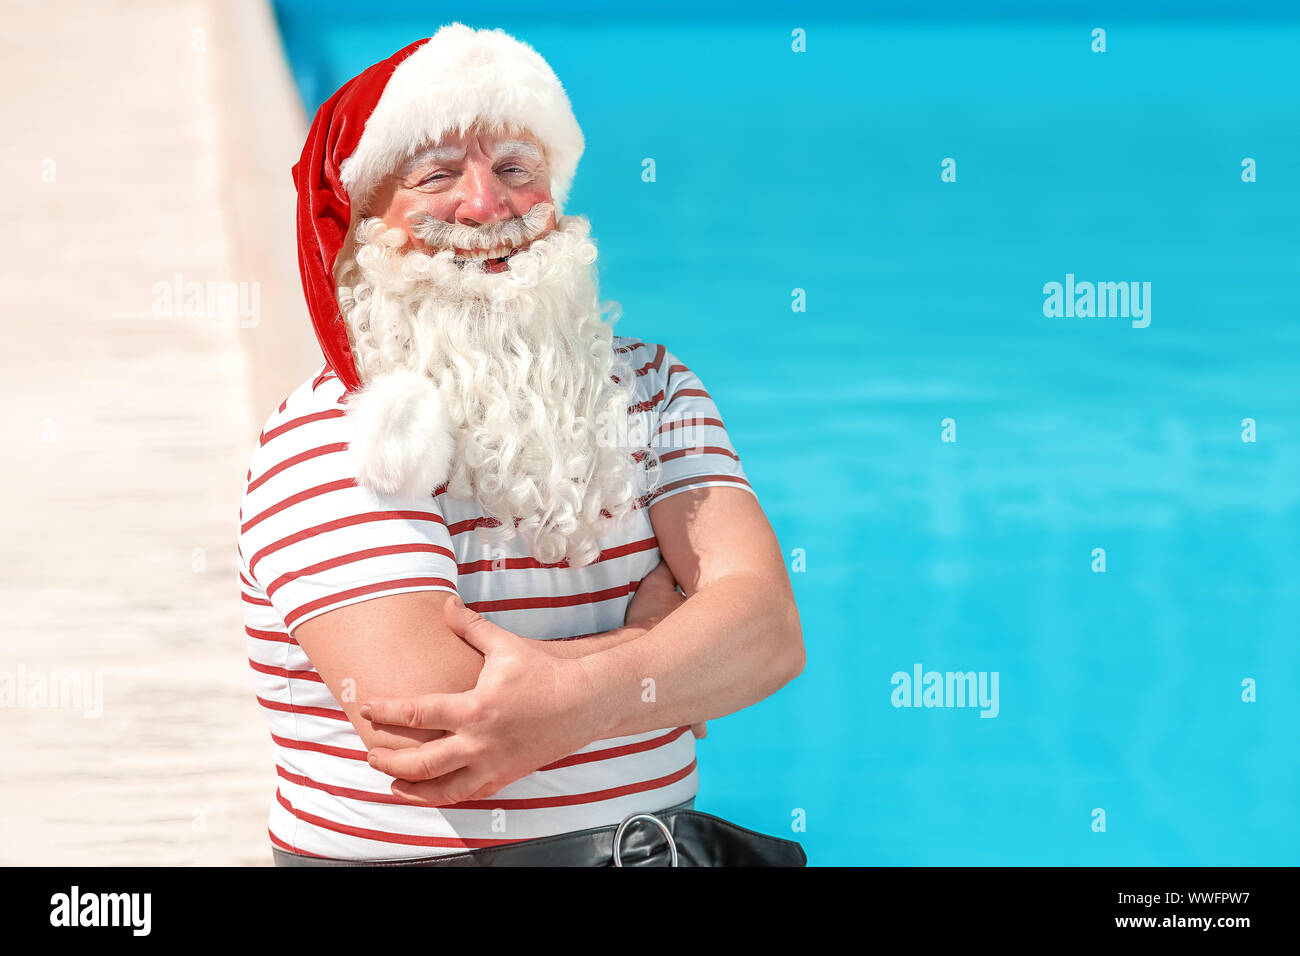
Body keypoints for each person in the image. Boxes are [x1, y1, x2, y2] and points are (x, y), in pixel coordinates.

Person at [238, 22, 805, 865]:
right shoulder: (332, 436)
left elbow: (767, 633)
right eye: (436, 176)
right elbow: (441, 726)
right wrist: (661, 649)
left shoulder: (654, 389)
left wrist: (563, 691)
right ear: (362, 225)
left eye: (514, 169)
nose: (485, 205)